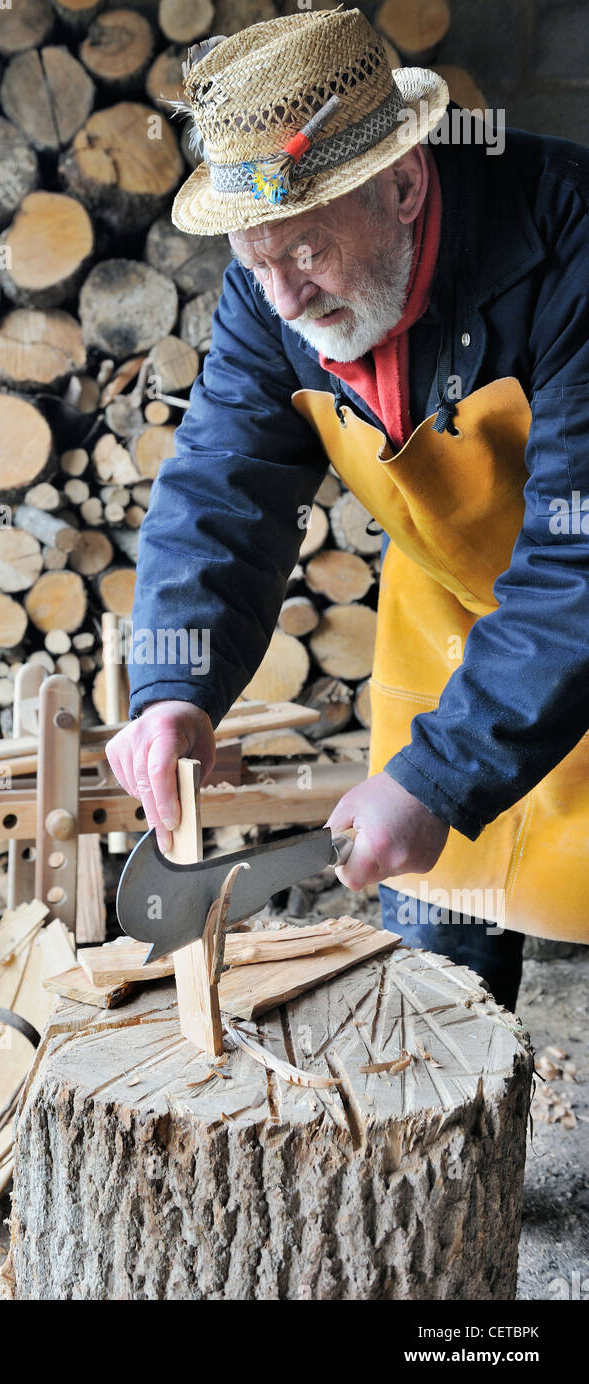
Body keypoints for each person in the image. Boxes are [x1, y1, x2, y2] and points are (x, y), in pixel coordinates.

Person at [105, 8, 589, 1013]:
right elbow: (221, 487)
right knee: (428, 966)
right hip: (454, 610)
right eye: (255, 262)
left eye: (307, 253)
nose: (281, 297)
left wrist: (442, 773)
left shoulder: (570, 237)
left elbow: (579, 557)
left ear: (404, 186)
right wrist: (173, 685)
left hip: (572, 584)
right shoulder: (271, 285)